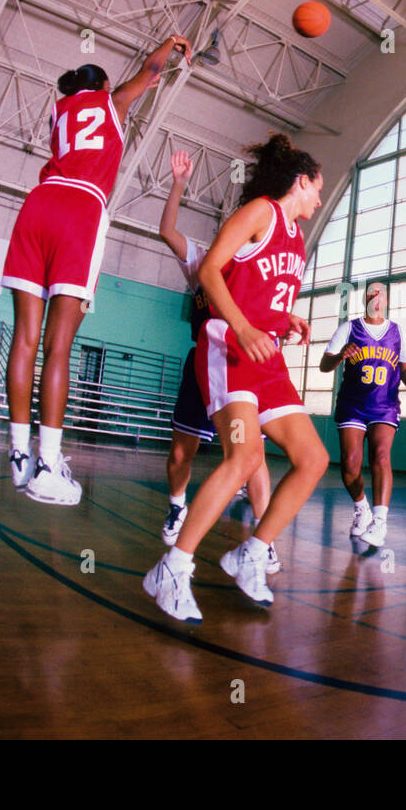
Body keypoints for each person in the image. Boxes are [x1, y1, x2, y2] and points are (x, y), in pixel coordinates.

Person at [0, 33, 191, 504]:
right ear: (103, 84)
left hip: (38, 204)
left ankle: (20, 455)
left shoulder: (59, 109)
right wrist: (171, 43)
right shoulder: (110, 101)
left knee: (24, 338)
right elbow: (150, 71)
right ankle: (49, 464)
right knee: (58, 346)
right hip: (80, 209)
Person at [143, 134, 326, 622]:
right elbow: (209, 272)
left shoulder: (295, 235)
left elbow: (262, 290)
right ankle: (172, 568)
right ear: (300, 181)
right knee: (244, 458)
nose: (320, 199)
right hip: (229, 348)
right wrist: (244, 327)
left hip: (267, 360)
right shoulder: (261, 212)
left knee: (313, 458)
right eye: (317, 190)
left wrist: (286, 319)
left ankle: (251, 553)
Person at [156, 149, 278, 574]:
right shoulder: (204, 259)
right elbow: (166, 229)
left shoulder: (264, 261)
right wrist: (178, 182)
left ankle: (264, 537)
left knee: (254, 457)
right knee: (180, 455)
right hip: (203, 367)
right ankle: (177, 507)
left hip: (240, 367)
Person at [319, 281, 406, 547]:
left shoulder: (398, 331)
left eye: (381, 294)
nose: (376, 298)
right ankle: (361, 508)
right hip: (352, 404)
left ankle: (380, 523)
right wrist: (340, 355)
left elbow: (405, 367)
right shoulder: (349, 328)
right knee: (350, 463)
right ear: (364, 299)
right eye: (371, 294)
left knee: (380, 455)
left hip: (385, 405)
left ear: (387, 300)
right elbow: (324, 366)